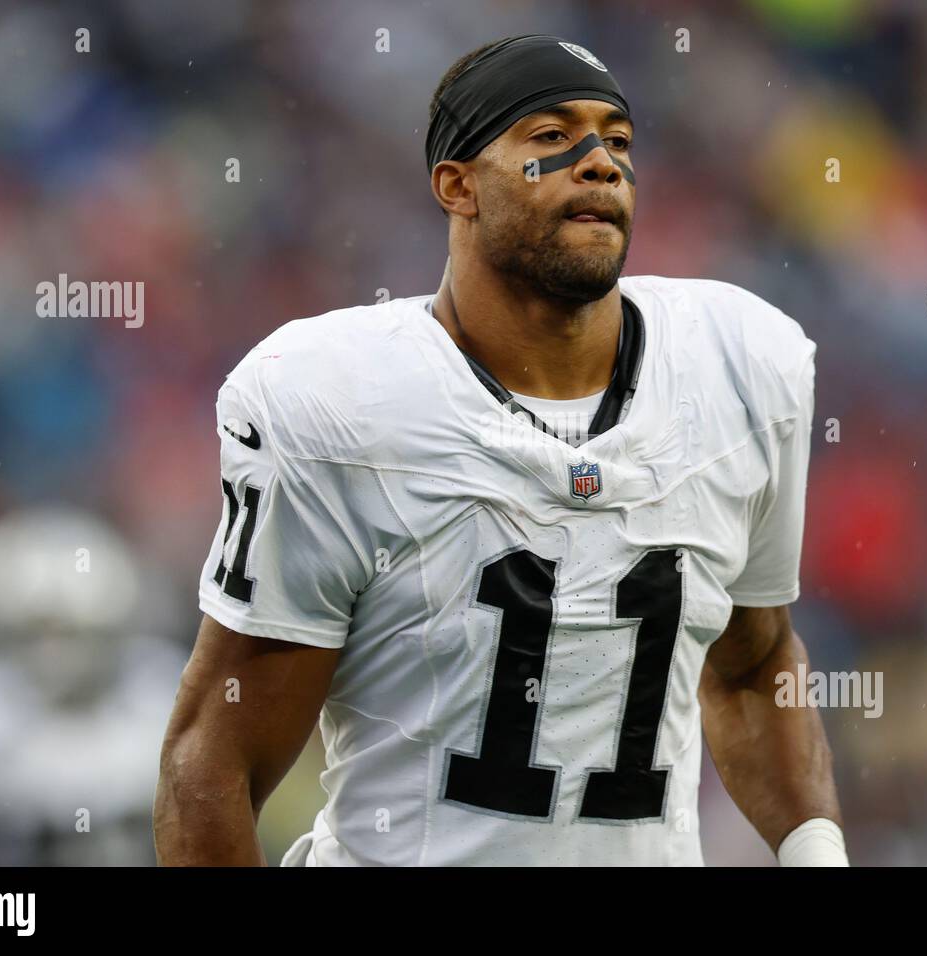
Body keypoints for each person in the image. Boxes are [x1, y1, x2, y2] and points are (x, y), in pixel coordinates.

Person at [155, 34, 845, 866]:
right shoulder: (332, 401)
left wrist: (818, 854)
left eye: (617, 141)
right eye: (550, 138)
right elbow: (215, 758)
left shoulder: (745, 366)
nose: (599, 163)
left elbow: (752, 664)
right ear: (458, 184)